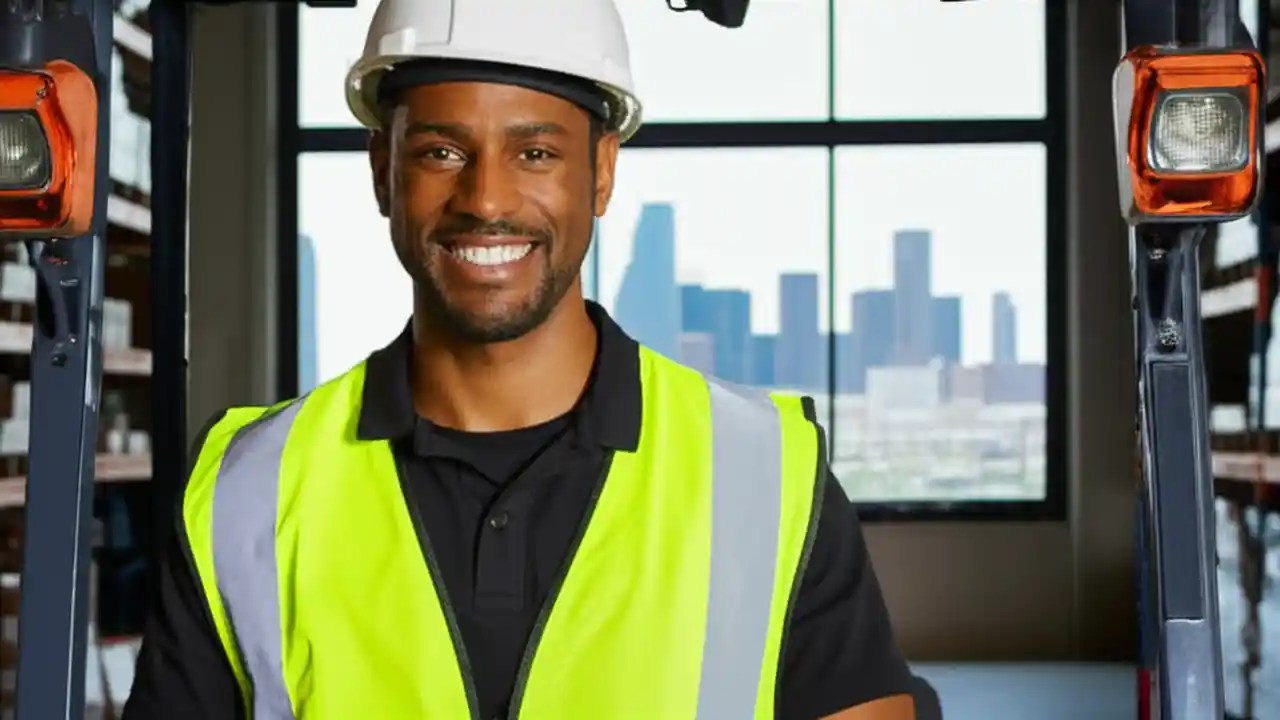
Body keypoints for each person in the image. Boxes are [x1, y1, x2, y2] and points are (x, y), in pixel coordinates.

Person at [122, 0, 919, 717]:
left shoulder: (761, 471)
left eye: (535, 154)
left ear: (601, 172)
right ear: (381, 171)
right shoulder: (250, 488)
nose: (488, 199)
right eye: (440, 152)